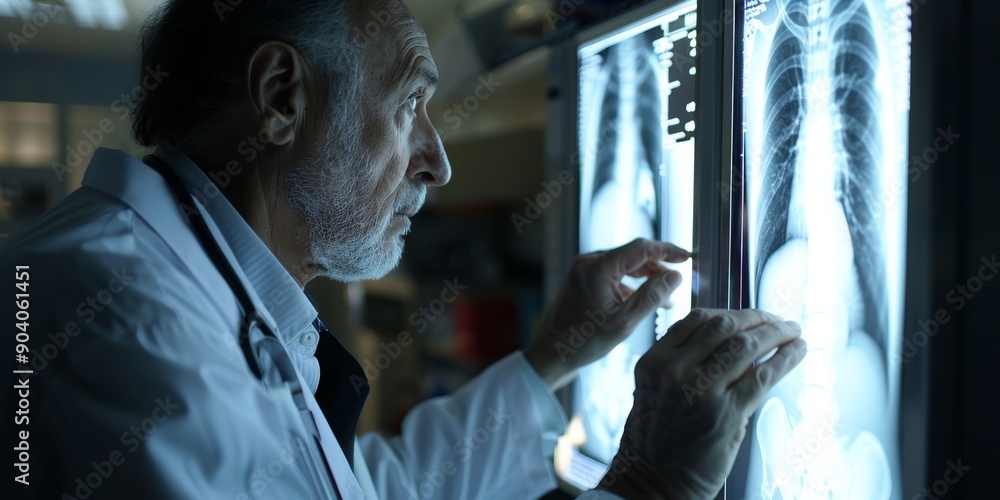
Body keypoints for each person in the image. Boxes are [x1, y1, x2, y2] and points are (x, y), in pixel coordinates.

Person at [0, 0, 806, 498]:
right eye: (411, 103)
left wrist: (551, 357)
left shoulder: (180, 282)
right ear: (280, 97)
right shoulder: (125, 320)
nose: (437, 162)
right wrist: (651, 485)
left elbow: (350, 491)